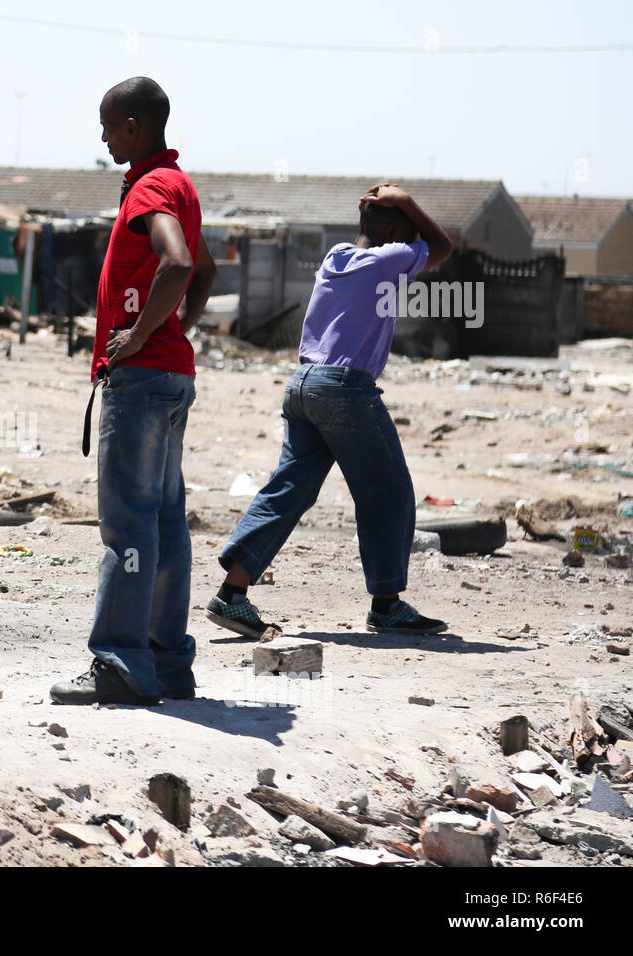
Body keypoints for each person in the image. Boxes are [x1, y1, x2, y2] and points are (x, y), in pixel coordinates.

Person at [206, 184, 453, 639]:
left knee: (288, 491)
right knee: (389, 491)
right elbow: (444, 247)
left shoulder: (334, 256)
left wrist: (393, 210)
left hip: (303, 384)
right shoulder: (386, 260)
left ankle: (231, 595)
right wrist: (406, 200)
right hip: (344, 388)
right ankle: (387, 605)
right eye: (404, 234)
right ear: (395, 231)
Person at [49, 77, 217, 706]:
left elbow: (179, 266)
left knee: (126, 527)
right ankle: (167, 664)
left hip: (144, 380)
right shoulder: (179, 185)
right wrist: (170, 331)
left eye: (107, 125)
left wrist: (141, 336)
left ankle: (119, 664)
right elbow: (205, 271)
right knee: (165, 521)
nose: (101, 136)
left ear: (134, 126)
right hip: (171, 376)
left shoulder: (151, 188)